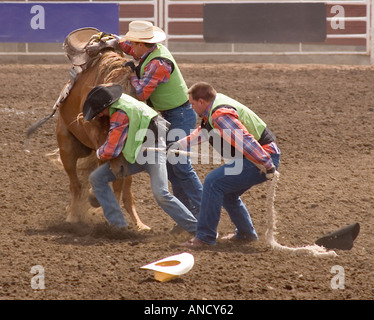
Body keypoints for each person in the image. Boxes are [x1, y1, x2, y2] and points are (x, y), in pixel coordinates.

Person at [169, 82, 280, 248]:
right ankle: (245, 234)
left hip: (260, 159)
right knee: (227, 193)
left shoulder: (220, 116)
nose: (191, 108)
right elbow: (204, 132)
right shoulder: (215, 109)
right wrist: (180, 145)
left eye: (192, 104)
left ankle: (205, 238)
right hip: (261, 156)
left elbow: (244, 141)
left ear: (201, 102)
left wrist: (266, 164)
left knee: (213, 182)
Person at [83, 83, 197, 234]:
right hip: (139, 152)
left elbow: (111, 150)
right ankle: (118, 226)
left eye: (99, 112)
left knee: (161, 193)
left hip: (152, 153)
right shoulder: (125, 100)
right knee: (97, 177)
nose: (100, 115)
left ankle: (198, 229)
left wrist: (97, 153)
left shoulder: (120, 114)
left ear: (106, 106)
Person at [118, 20, 203, 219]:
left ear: (141, 44)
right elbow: (127, 46)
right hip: (174, 114)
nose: (131, 46)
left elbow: (141, 93)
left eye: (134, 42)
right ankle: (190, 216)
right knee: (174, 170)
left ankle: (205, 212)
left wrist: (132, 74)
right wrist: (112, 40)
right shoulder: (153, 52)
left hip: (179, 115)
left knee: (181, 166)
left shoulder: (158, 63)